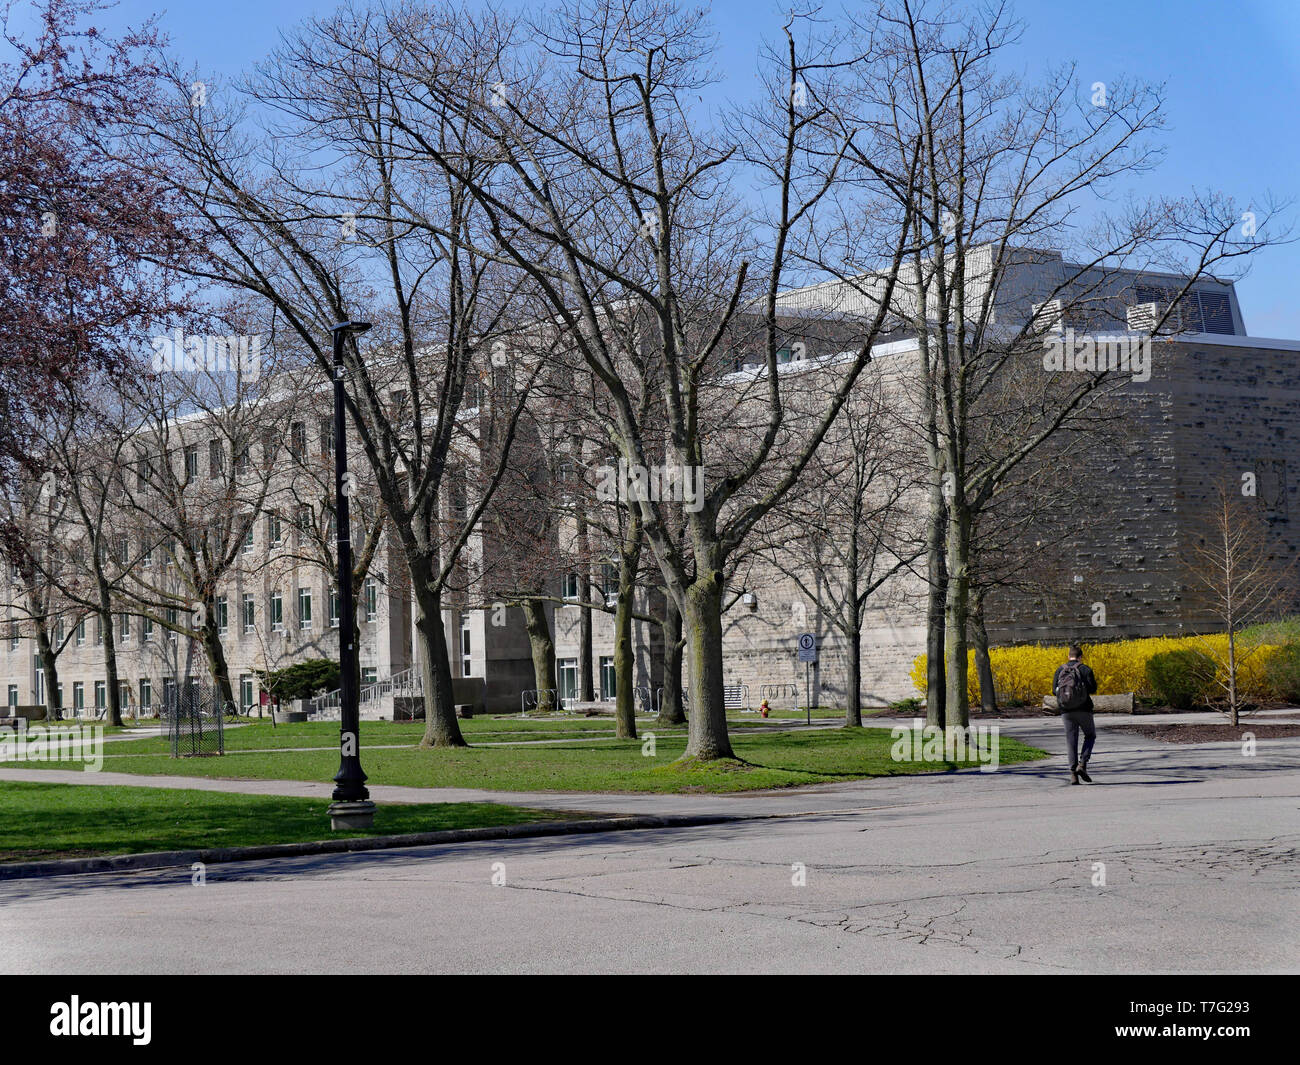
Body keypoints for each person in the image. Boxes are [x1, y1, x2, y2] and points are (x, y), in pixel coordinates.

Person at [1052, 643, 1098, 785]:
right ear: (1080, 657)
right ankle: (1082, 764)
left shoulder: (1060, 670)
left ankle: (1073, 774)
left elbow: (1055, 690)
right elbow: (1093, 689)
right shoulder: (1085, 669)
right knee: (1090, 735)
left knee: (1071, 741)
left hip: (1066, 711)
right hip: (1084, 709)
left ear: (1068, 656)